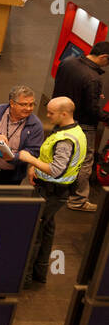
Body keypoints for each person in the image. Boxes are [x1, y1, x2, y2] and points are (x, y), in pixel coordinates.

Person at [16, 96, 87, 286]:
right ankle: (40, 273)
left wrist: (29, 160)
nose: (46, 116)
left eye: (51, 113)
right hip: (55, 191)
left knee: (34, 232)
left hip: (52, 192)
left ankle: (26, 278)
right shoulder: (74, 131)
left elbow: (56, 170)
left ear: (64, 114)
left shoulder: (66, 140)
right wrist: (35, 169)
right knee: (47, 229)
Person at [51, 39, 109, 211]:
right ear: (104, 57)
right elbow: (92, 110)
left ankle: (54, 190)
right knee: (84, 161)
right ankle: (77, 200)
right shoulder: (93, 78)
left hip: (60, 118)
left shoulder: (67, 62)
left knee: (60, 154)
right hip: (83, 125)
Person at [0, 85, 46, 185]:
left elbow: (34, 151)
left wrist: (14, 157)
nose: (28, 108)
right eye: (23, 104)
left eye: (31, 104)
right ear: (12, 103)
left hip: (9, 178)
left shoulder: (35, 126)